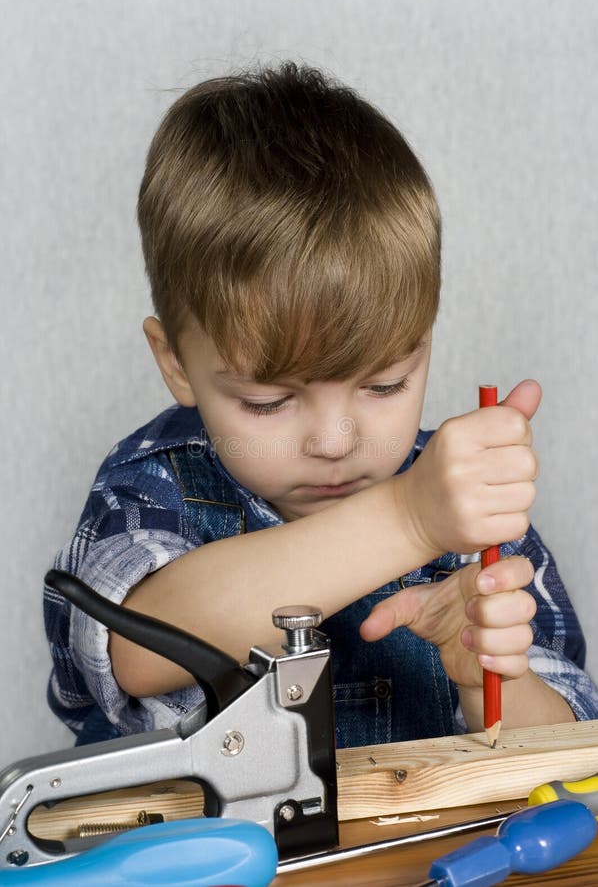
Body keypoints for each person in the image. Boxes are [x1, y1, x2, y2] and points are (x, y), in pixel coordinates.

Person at [44, 62, 598, 748]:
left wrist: (491, 678)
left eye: (384, 385)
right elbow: (134, 649)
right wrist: (408, 517)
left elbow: (569, 759)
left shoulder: (470, 508)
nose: (336, 440)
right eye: (269, 401)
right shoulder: (156, 486)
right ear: (176, 365)